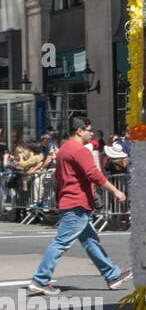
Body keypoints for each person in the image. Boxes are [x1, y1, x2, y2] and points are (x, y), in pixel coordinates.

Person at [28, 116, 131, 296]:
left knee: (90, 241)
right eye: (89, 130)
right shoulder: (80, 151)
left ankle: (112, 275)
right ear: (79, 131)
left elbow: (59, 178)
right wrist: (116, 191)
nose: (91, 134)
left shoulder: (63, 151)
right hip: (77, 203)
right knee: (61, 242)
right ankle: (40, 279)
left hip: (70, 201)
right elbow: (94, 175)